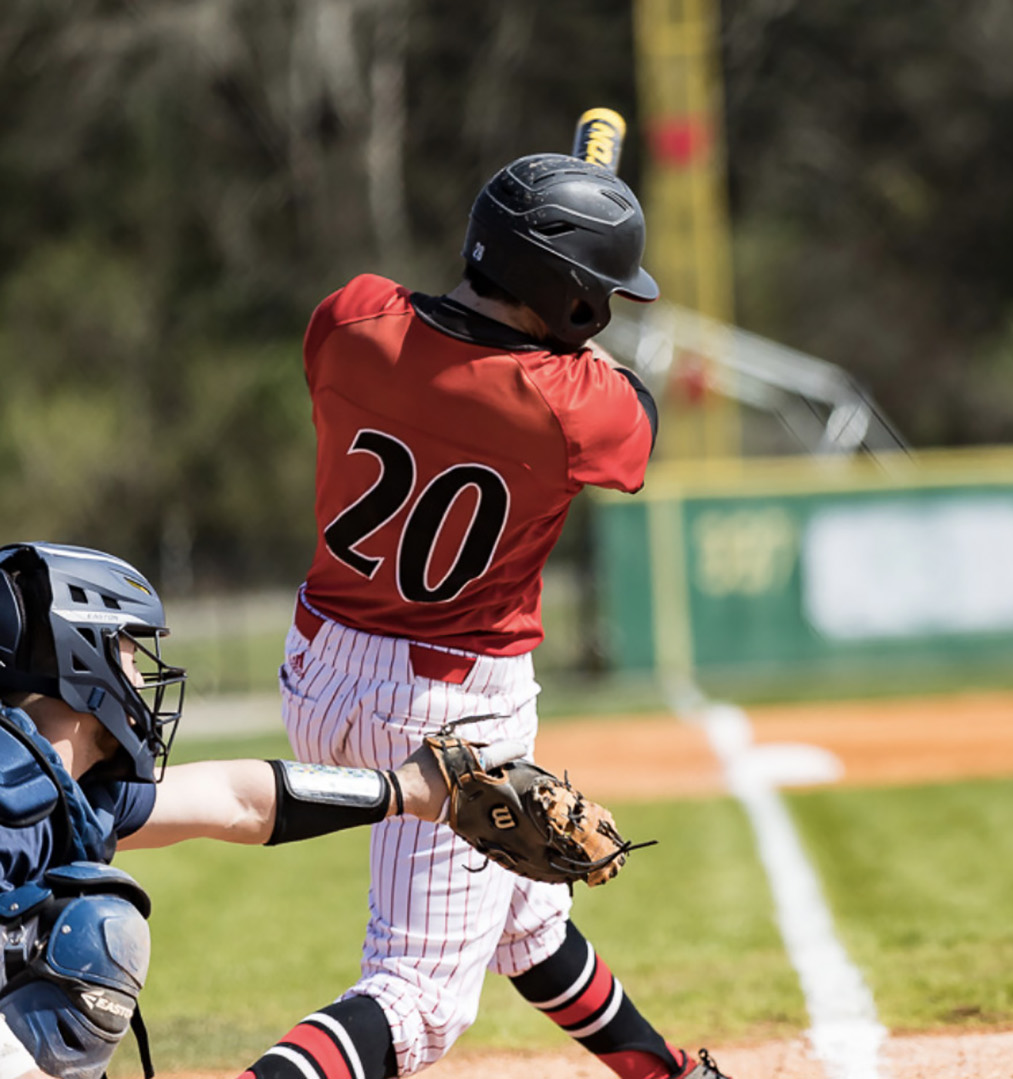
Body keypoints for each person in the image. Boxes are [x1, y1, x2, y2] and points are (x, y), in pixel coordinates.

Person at [265, 152, 728, 1079]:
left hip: (318, 673)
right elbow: (635, 428)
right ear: (571, 301)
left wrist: (540, 315)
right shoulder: (575, 405)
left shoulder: (352, 314)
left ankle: (661, 1072)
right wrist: (566, 341)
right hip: (449, 707)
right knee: (419, 997)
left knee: (525, 916)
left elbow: (451, 348)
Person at [0, 541, 474, 1079]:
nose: (140, 679)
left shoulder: (62, 786)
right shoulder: (12, 787)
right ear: (79, 656)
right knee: (91, 929)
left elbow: (236, 799)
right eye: (129, 651)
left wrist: (405, 790)